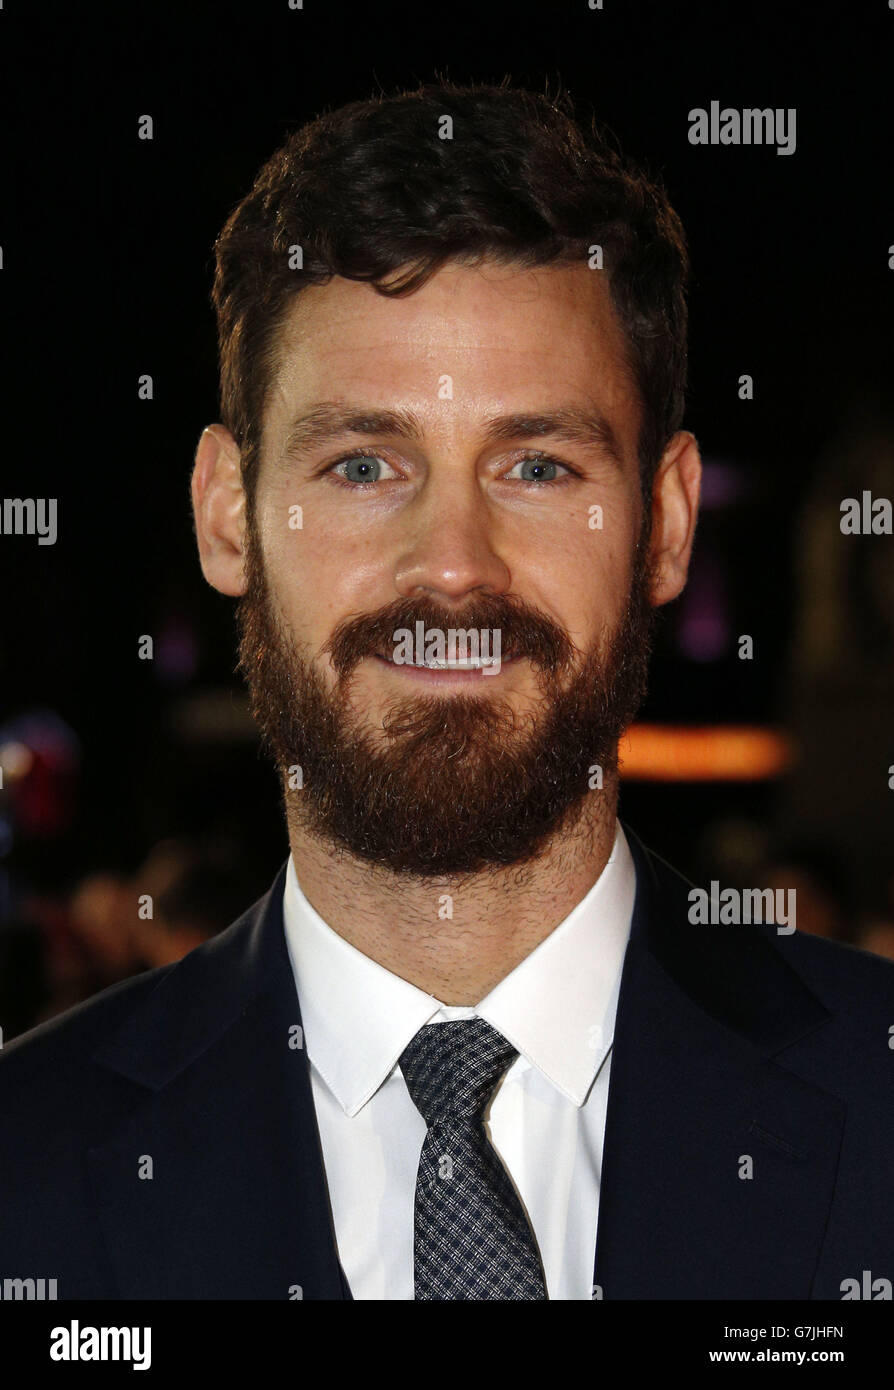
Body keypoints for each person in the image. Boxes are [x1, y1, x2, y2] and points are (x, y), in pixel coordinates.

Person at [2, 80, 892, 1301]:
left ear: (666, 521)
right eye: (364, 464)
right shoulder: (25, 1171)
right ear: (226, 515)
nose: (456, 565)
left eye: (536, 463)